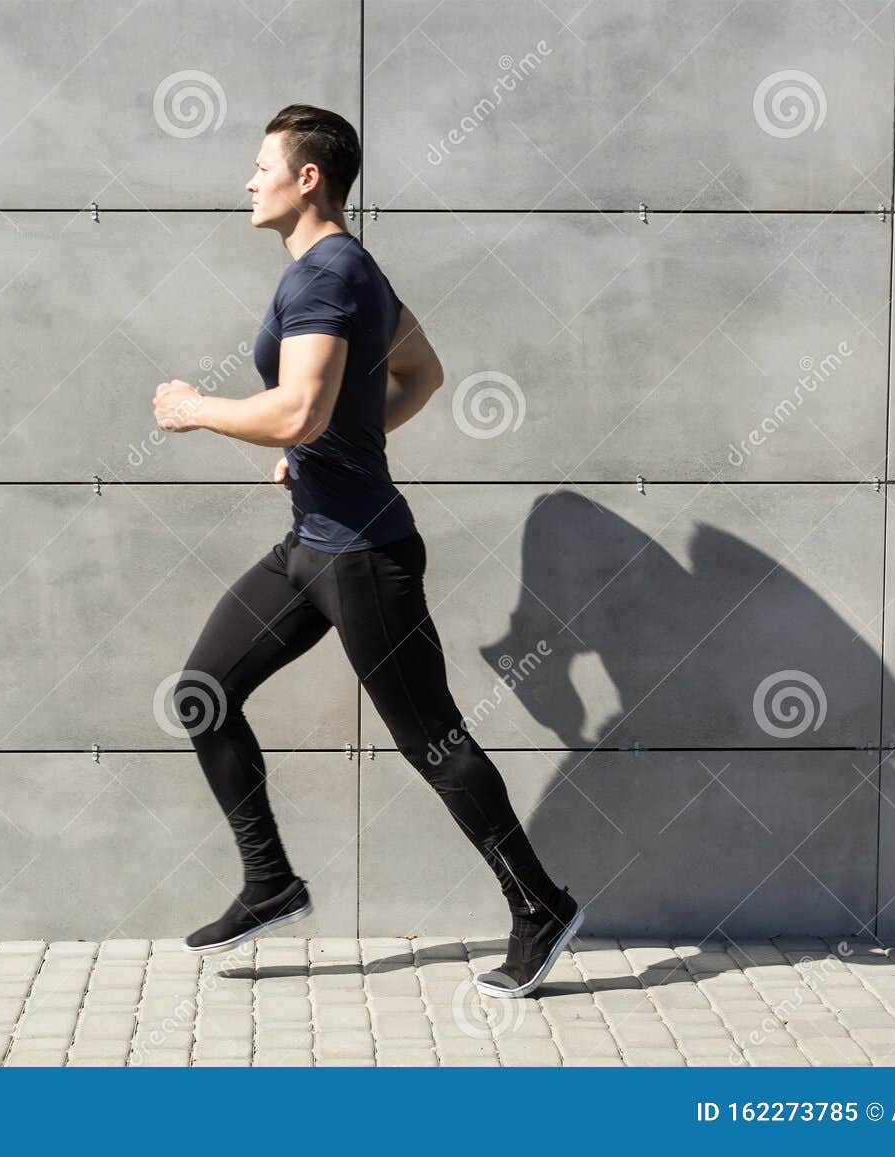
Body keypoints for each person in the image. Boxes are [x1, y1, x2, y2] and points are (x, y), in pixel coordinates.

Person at [152, 104, 581, 998]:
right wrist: (330, 446)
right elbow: (420, 375)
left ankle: (540, 905)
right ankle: (271, 882)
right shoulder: (346, 270)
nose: (248, 180)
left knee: (434, 742)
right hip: (309, 548)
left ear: (308, 177)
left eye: (262, 164)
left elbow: (299, 407)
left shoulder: (328, 274)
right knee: (203, 694)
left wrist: (198, 410)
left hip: (364, 559)